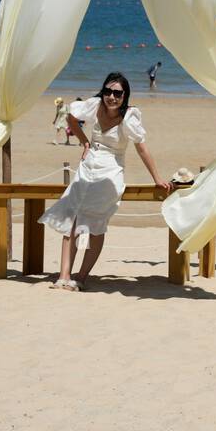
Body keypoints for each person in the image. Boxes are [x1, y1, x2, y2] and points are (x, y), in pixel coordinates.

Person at [39, 72, 175, 290]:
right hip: (88, 164)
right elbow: (71, 117)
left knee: (96, 225)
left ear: (125, 96)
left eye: (117, 93)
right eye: (108, 91)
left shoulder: (129, 116)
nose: (112, 97)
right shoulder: (94, 105)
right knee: (72, 219)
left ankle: (81, 277)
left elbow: (142, 148)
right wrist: (84, 142)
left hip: (111, 169)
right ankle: (64, 275)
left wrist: (157, 178)